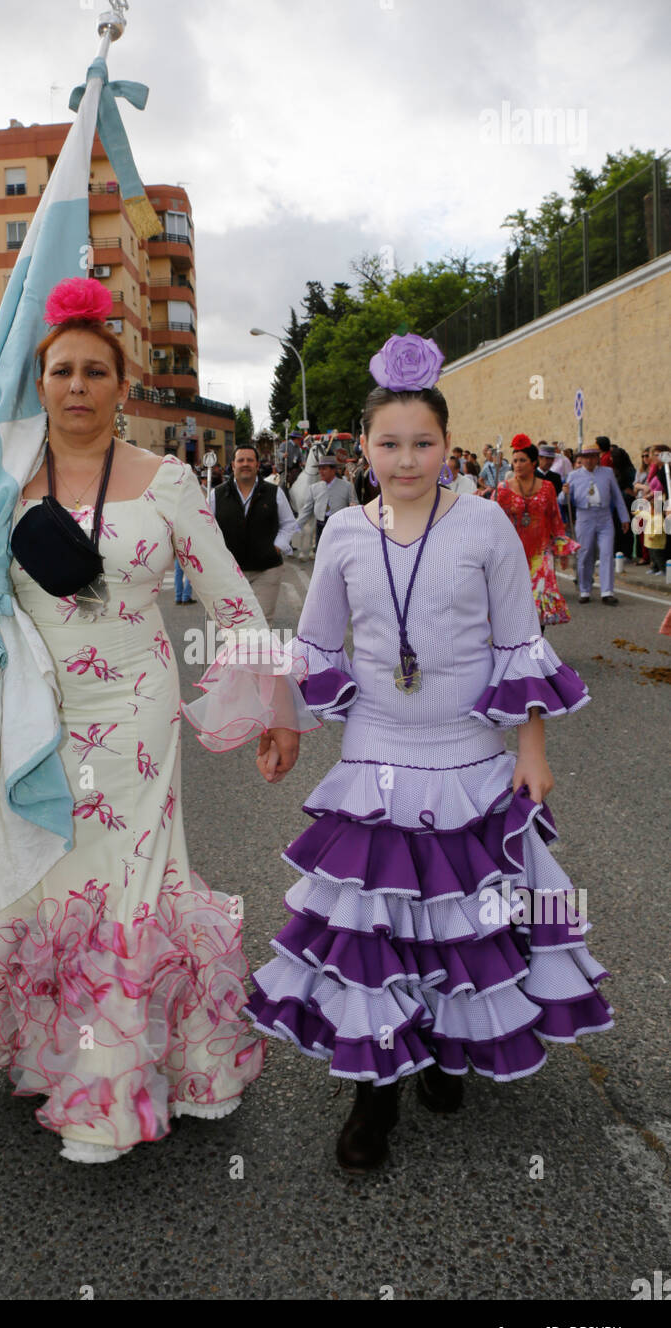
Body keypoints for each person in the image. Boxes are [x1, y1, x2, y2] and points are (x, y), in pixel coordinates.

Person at [0, 277, 318, 1166]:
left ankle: (106, 1094)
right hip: (26, 711)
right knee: (46, 875)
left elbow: (234, 605)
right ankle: (66, 1050)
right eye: (60, 370)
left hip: (137, 717)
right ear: (41, 383)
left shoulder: (172, 482)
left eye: (94, 371)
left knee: (129, 882)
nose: (76, 386)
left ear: (120, 384)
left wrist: (277, 702)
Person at [245, 332, 611, 1173]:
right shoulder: (340, 530)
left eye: (423, 443)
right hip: (377, 751)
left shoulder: (484, 523)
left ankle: (452, 1048)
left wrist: (533, 750)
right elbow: (314, 646)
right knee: (376, 922)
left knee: (467, 920)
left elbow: (520, 645)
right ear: (362, 447)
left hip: (475, 755)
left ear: (447, 445)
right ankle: (373, 1096)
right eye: (388, 444)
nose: (405, 460)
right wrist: (286, 728)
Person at [494, 440, 578, 632]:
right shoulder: (503, 488)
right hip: (512, 553)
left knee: (539, 601)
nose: (517, 464)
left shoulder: (548, 488)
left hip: (541, 553)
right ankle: (515, 645)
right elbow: (495, 523)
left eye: (522, 460)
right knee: (514, 601)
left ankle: (536, 646)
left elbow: (556, 520)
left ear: (533, 463)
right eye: (514, 461)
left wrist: (562, 551)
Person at [211, 444, 299, 624]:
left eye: (250, 460)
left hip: (266, 571)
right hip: (230, 574)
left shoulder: (274, 493)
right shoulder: (216, 495)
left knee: (261, 625)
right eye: (240, 460)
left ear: (257, 465)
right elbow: (206, 529)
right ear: (233, 465)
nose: (245, 464)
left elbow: (288, 524)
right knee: (233, 625)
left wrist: (277, 547)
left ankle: (259, 653)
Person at [562, 445, 630, 604]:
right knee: (585, 554)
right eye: (586, 457)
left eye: (593, 456)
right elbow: (564, 501)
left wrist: (624, 518)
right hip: (584, 517)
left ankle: (607, 591)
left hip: (604, 517)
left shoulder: (607, 473)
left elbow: (617, 496)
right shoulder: (573, 475)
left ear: (598, 458)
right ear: (581, 459)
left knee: (606, 553)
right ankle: (584, 589)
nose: (589, 460)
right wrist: (564, 493)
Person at [294, 457, 358, 550]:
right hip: (321, 526)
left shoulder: (347, 486)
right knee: (321, 555)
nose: (321, 472)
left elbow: (355, 503)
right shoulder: (314, 488)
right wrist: (296, 526)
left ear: (333, 470)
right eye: (319, 469)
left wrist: (354, 506)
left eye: (324, 469)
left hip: (339, 528)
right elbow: (306, 511)